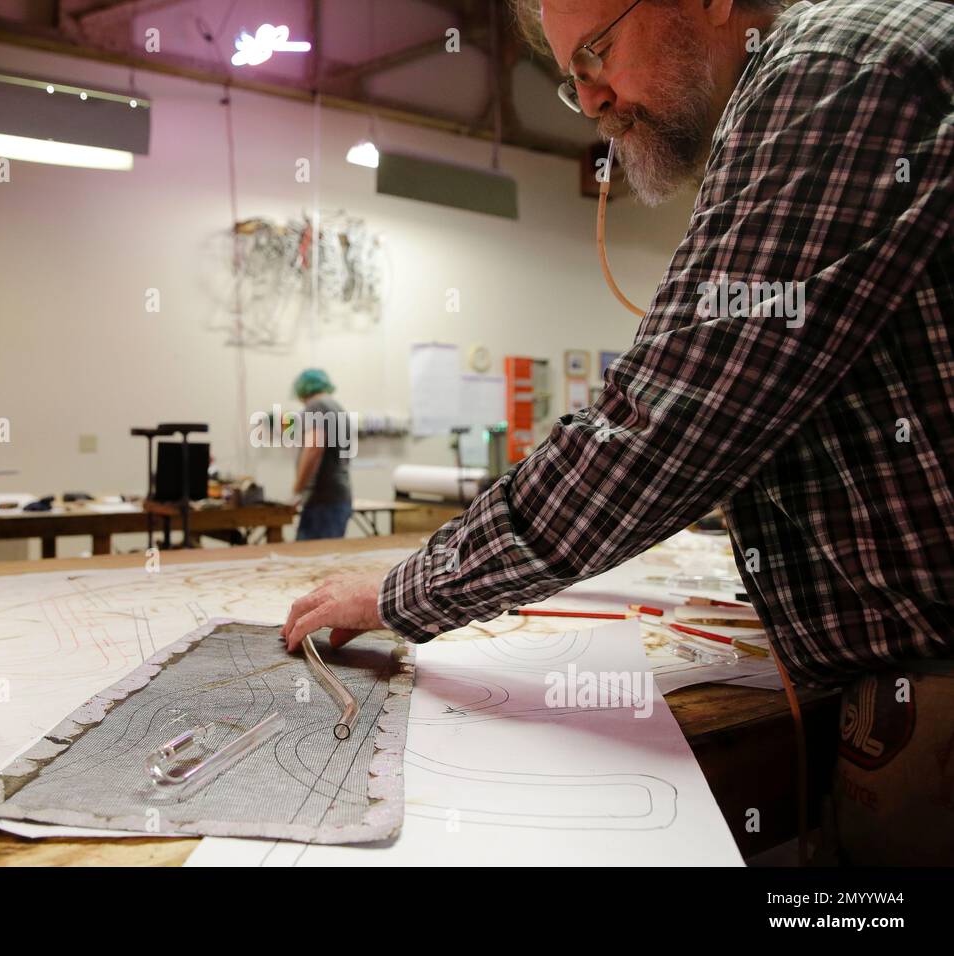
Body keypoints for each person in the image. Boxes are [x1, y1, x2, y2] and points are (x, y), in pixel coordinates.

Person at [281, 0, 953, 863]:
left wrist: (400, 595)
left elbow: (664, 424)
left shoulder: (833, 71)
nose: (592, 98)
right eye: (572, 82)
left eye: (598, 53)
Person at [290, 369, 353, 541]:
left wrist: (297, 490)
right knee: (327, 560)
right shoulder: (337, 407)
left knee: (309, 562)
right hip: (337, 497)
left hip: (322, 501)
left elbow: (313, 448)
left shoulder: (315, 406)